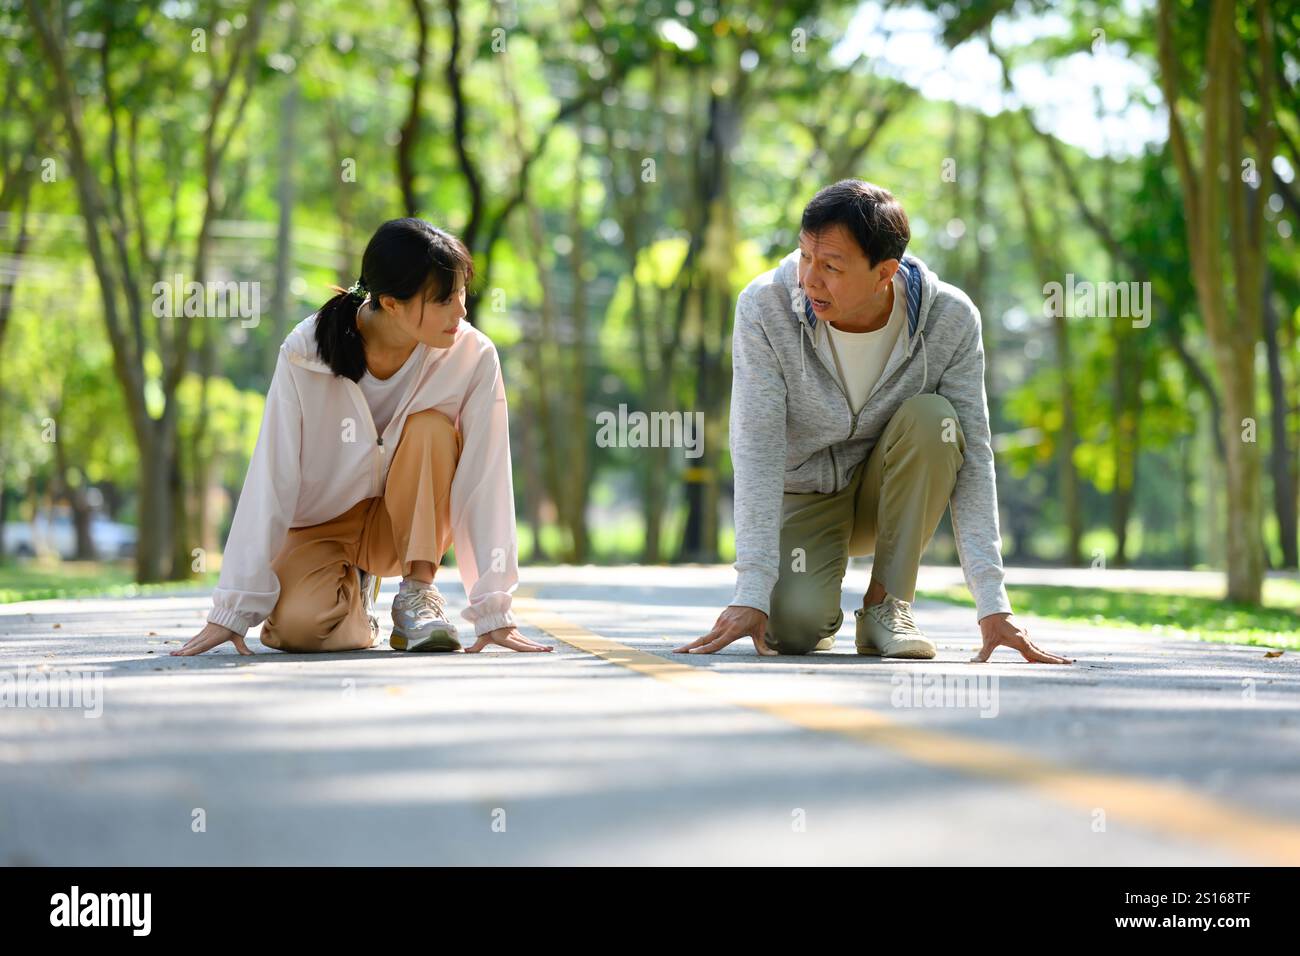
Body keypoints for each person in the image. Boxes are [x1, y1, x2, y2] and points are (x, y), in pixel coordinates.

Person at [676, 181, 1070, 664]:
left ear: (885, 272)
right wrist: (752, 590)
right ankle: (807, 602)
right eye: (805, 256)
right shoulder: (765, 307)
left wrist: (993, 604)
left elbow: (975, 454)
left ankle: (886, 606)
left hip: (883, 496)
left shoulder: (951, 319)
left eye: (831, 267)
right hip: (801, 493)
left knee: (936, 422)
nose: (809, 280)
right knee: (794, 630)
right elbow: (756, 443)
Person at [175, 217, 549, 656]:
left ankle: (416, 595)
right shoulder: (306, 353)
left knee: (430, 429)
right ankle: (357, 596)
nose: (461, 312)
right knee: (302, 631)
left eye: (462, 292)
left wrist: (493, 611)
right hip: (320, 527)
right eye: (446, 299)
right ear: (391, 303)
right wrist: (232, 609)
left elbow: (485, 478)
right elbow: (271, 473)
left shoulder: (472, 356)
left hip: (406, 528)